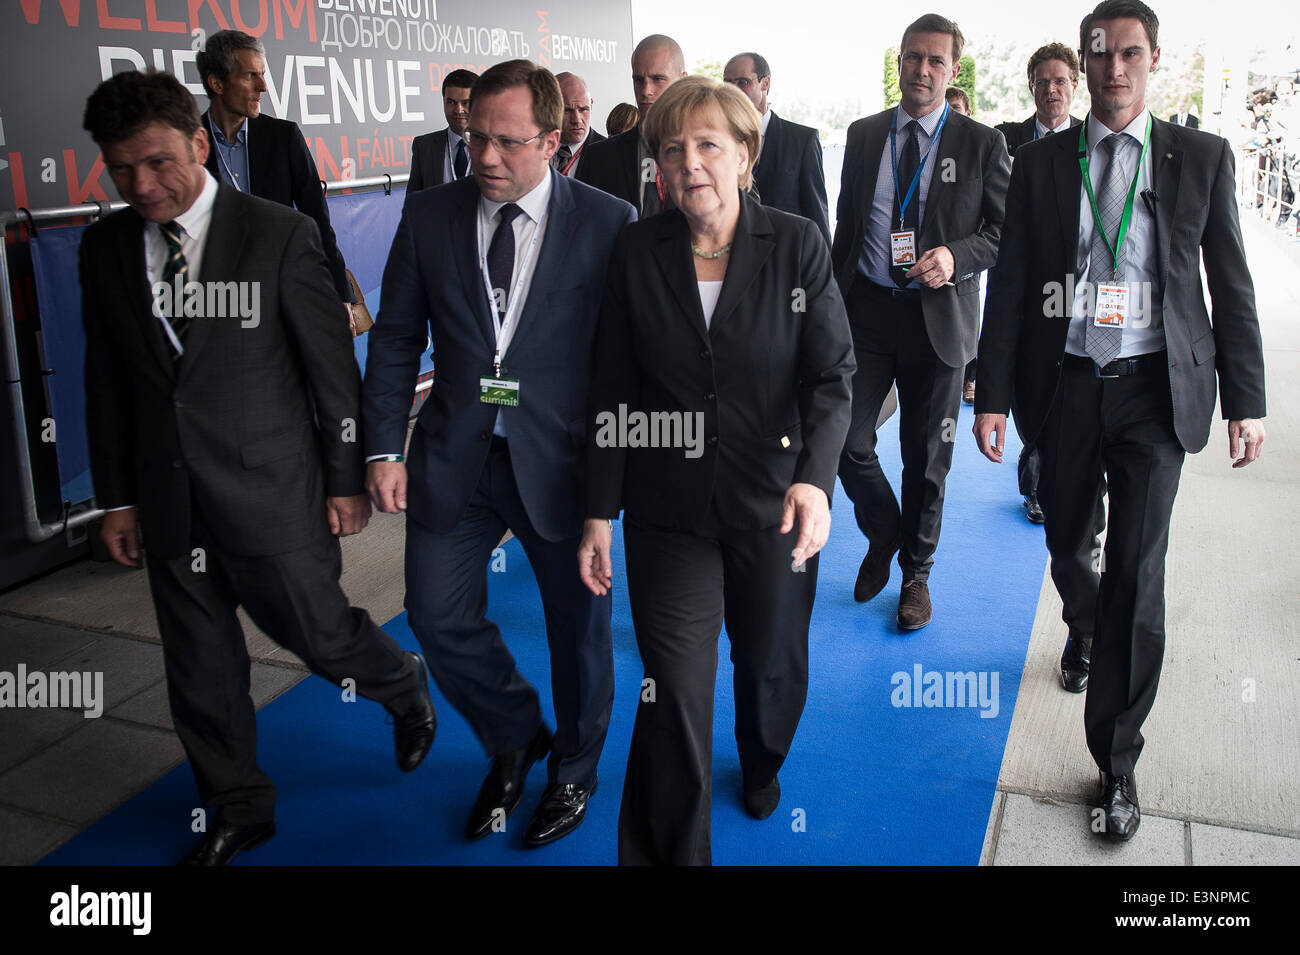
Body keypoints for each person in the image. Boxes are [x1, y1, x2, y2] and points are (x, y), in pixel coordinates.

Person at [80, 69, 435, 865]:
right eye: (121, 168)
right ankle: (237, 803)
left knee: (319, 635)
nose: (141, 184)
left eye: (159, 162)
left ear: (200, 142)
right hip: (171, 498)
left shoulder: (276, 233)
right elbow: (107, 380)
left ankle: (400, 679)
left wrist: (346, 477)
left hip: (273, 492)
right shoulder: (105, 248)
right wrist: (119, 499)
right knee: (200, 666)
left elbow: (328, 370)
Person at [974, 0, 1266, 841]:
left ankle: (1117, 761)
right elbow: (1014, 285)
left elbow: (1231, 287)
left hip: (1153, 390)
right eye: (1098, 55)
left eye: (1129, 54)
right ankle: (1084, 620)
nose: (1112, 70)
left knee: (1140, 574)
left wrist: (1246, 399)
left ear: (1153, 61)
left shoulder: (1201, 158)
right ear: (1083, 61)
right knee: (1068, 543)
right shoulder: (1035, 164)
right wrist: (991, 393)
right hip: (1064, 384)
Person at [579, 76, 855, 866]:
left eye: (707, 145)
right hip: (668, 511)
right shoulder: (637, 249)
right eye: (673, 149)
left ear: (745, 153)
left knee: (769, 661)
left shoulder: (797, 242)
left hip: (774, 504)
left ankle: (763, 753)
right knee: (670, 688)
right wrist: (599, 510)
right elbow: (613, 385)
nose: (689, 162)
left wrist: (815, 477)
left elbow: (833, 376)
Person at [364, 60, 636, 847]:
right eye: (477, 136)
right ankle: (516, 733)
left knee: (577, 632)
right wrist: (383, 446)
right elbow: (394, 339)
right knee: (436, 614)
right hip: (455, 454)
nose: (485, 156)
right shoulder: (429, 216)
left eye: (507, 143)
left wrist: (615, 485)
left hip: (563, 464)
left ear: (552, 141)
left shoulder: (609, 222)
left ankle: (574, 772)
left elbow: (626, 360)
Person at [831, 13, 1010, 629]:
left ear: (953, 70)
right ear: (898, 63)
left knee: (925, 459)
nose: (923, 70)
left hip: (941, 322)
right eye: (914, 57)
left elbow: (1001, 234)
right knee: (845, 441)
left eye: (936, 61)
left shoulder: (981, 143)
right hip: (869, 317)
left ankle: (916, 576)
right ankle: (885, 534)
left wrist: (956, 257)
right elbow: (846, 232)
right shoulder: (862, 135)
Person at [196, 30, 354, 324]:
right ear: (217, 83)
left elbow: (317, 219)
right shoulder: (189, 143)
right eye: (250, 76)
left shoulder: (283, 137)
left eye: (263, 75)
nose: (263, 87)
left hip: (283, 292)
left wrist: (339, 290)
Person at [994, 42, 1086, 523]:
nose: (1052, 90)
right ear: (1031, 86)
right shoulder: (1005, 140)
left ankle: (1073, 483)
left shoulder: (1092, 145)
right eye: (1043, 82)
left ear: (1075, 86)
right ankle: (1033, 486)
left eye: (1061, 81)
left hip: (1079, 289)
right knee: (1033, 392)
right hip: (1023, 284)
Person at [723, 52, 831, 246]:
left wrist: (823, 271)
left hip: (787, 258)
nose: (733, 91)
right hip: (734, 259)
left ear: (765, 83)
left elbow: (817, 216)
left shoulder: (802, 140)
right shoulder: (718, 141)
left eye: (742, 82)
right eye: (728, 83)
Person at [577, 34, 687, 213]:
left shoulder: (708, 154)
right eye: (639, 80)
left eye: (658, 79)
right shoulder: (599, 158)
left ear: (682, 80)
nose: (646, 90)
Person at [406, 68, 479, 194]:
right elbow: (413, 202)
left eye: (465, 103)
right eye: (451, 102)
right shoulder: (424, 146)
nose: (458, 110)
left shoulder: (497, 145)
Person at [552, 72, 605, 177]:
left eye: (583, 109)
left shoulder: (610, 156)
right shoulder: (533, 149)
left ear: (591, 105)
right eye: (567, 110)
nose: (577, 120)